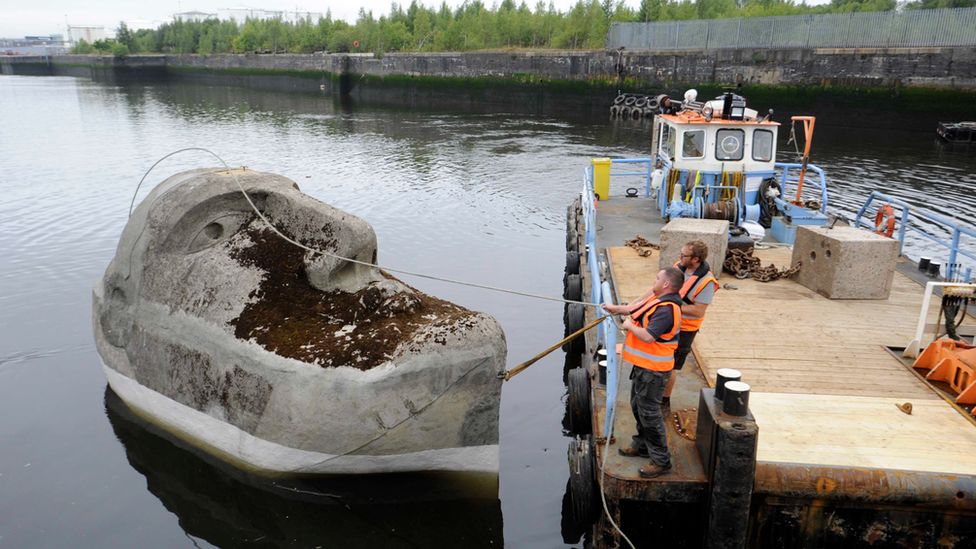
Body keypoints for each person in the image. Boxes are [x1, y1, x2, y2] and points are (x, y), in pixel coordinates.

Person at [603, 267, 683, 478]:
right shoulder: (657, 300)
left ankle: (661, 461)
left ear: (666, 284)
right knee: (638, 407)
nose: (654, 281)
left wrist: (629, 326)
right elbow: (633, 309)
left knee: (650, 414)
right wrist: (613, 309)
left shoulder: (667, 310)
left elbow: (648, 336)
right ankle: (642, 445)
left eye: (657, 278)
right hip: (643, 367)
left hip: (654, 372)